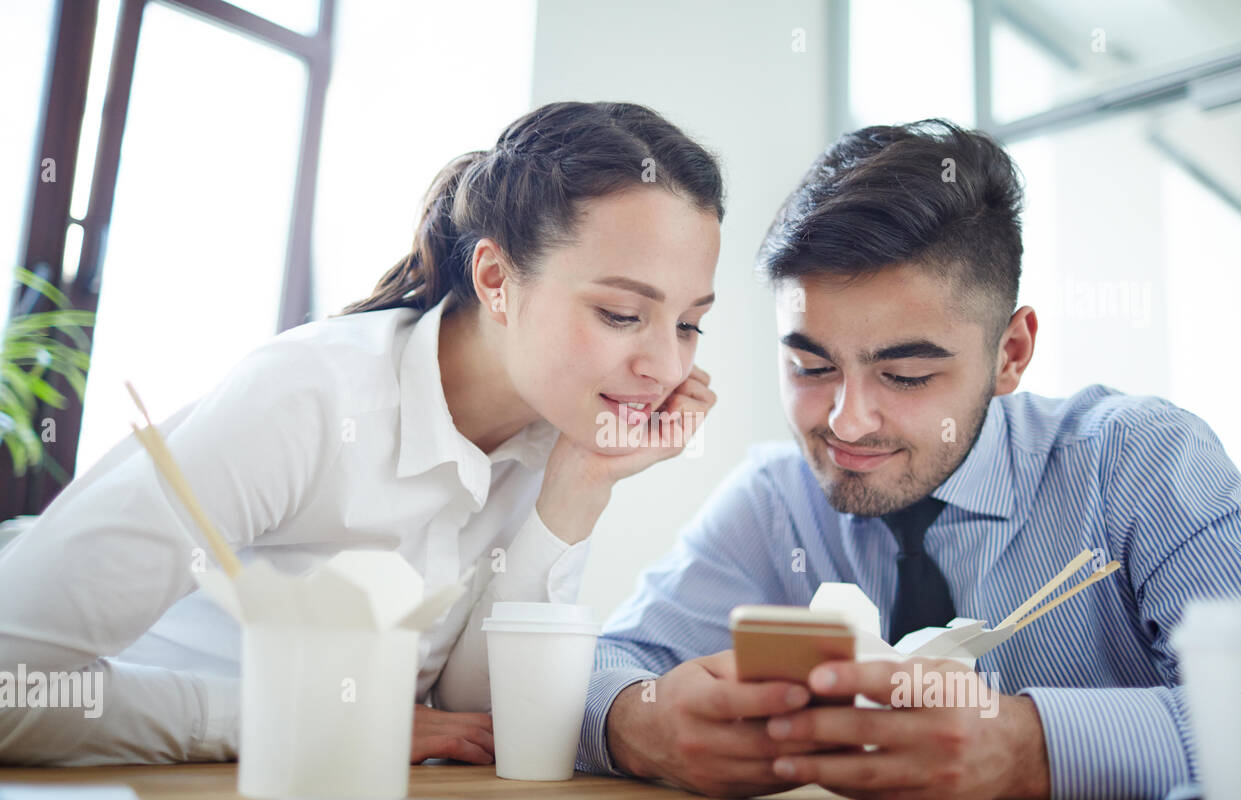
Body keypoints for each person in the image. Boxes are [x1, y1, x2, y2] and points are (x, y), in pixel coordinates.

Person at [578, 119, 1241, 800]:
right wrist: (640, 725)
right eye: (810, 365)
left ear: (1011, 353)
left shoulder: (1139, 463)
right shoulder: (776, 502)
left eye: (907, 375)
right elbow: (595, 669)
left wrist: (1031, 749)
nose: (846, 422)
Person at [0, 101, 720, 766]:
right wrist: (294, 718)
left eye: (689, 323)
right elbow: (11, 687)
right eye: (623, 314)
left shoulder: (553, 429)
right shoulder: (309, 400)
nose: (665, 366)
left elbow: (477, 719)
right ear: (497, 278)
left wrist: (579, 485)